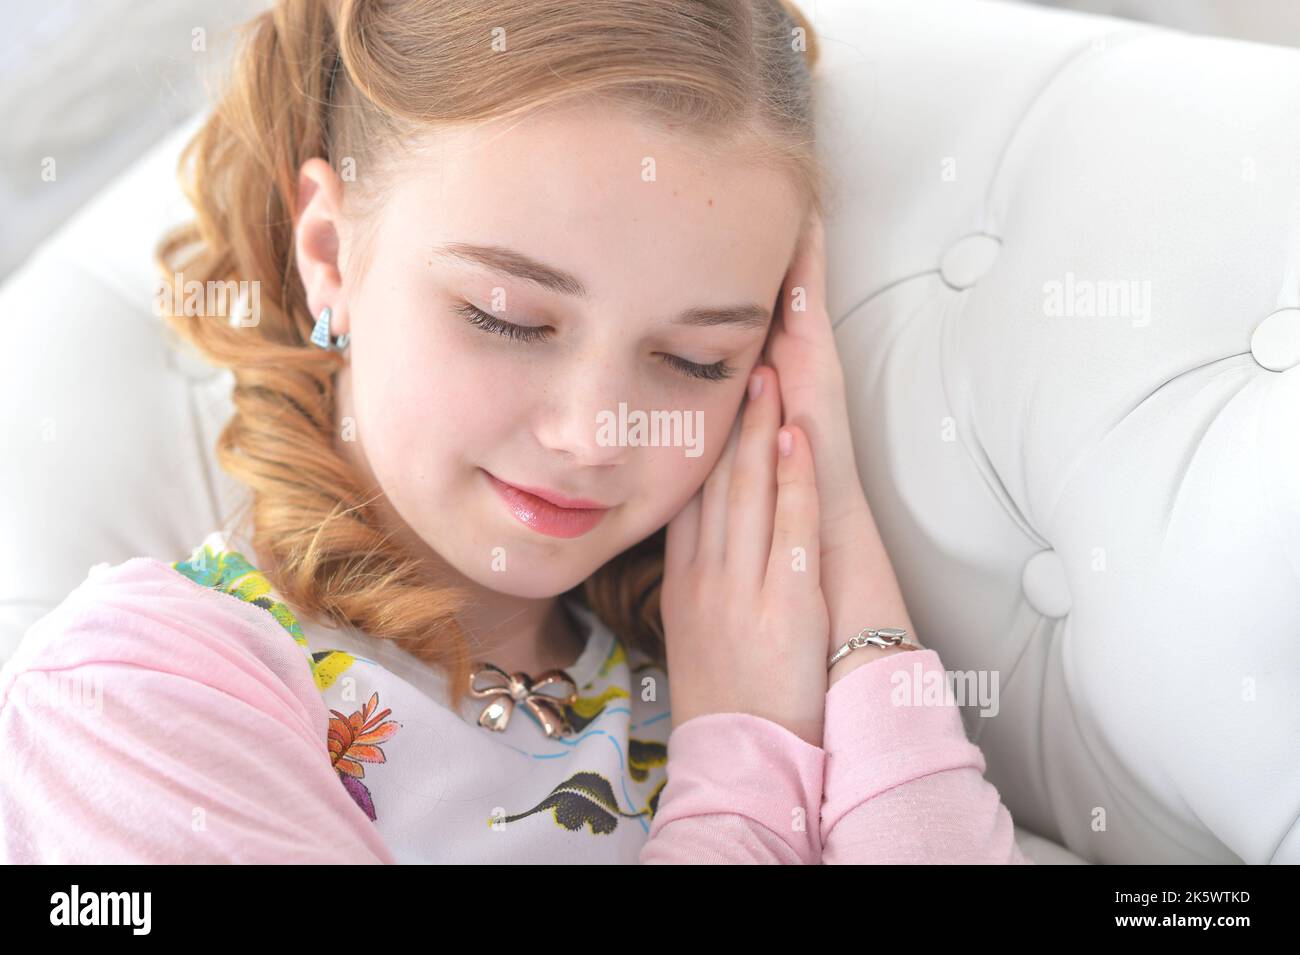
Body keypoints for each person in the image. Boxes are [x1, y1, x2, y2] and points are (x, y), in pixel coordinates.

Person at [0, 0, 1028, 864]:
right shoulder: (135, 697)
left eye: (696, 359)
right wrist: (742, 767)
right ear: (328, 251)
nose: (593, 432)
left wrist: (835, 530)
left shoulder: (731, 659)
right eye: (507, 317)